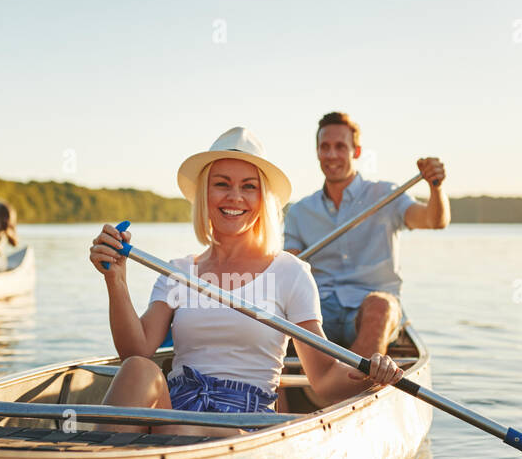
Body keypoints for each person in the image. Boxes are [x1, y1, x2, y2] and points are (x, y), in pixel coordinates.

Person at [89, 127, 405, 437]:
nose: (235, 197)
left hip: (243, 423)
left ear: (263, 197)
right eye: (222, 184)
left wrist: (371, 375)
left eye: (249, 186)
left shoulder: (290, 272)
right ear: (205, 193)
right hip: (175, 409)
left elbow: (322, 379)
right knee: (139, 369)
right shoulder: (178, 270)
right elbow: (136, 350)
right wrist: (115, 280)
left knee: (185, 428)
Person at [284, 111, 448, 359]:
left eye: (340, 147)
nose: (331, 155)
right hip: (320, 312)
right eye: (324, 147)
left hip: (372, 309)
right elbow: (289, 271)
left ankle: (351, 385)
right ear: (317, 152)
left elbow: (434, 221)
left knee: (379, 307)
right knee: (278, 314)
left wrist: (436, 187)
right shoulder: (299, 212)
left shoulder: (386, 195)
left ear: (356, 152)